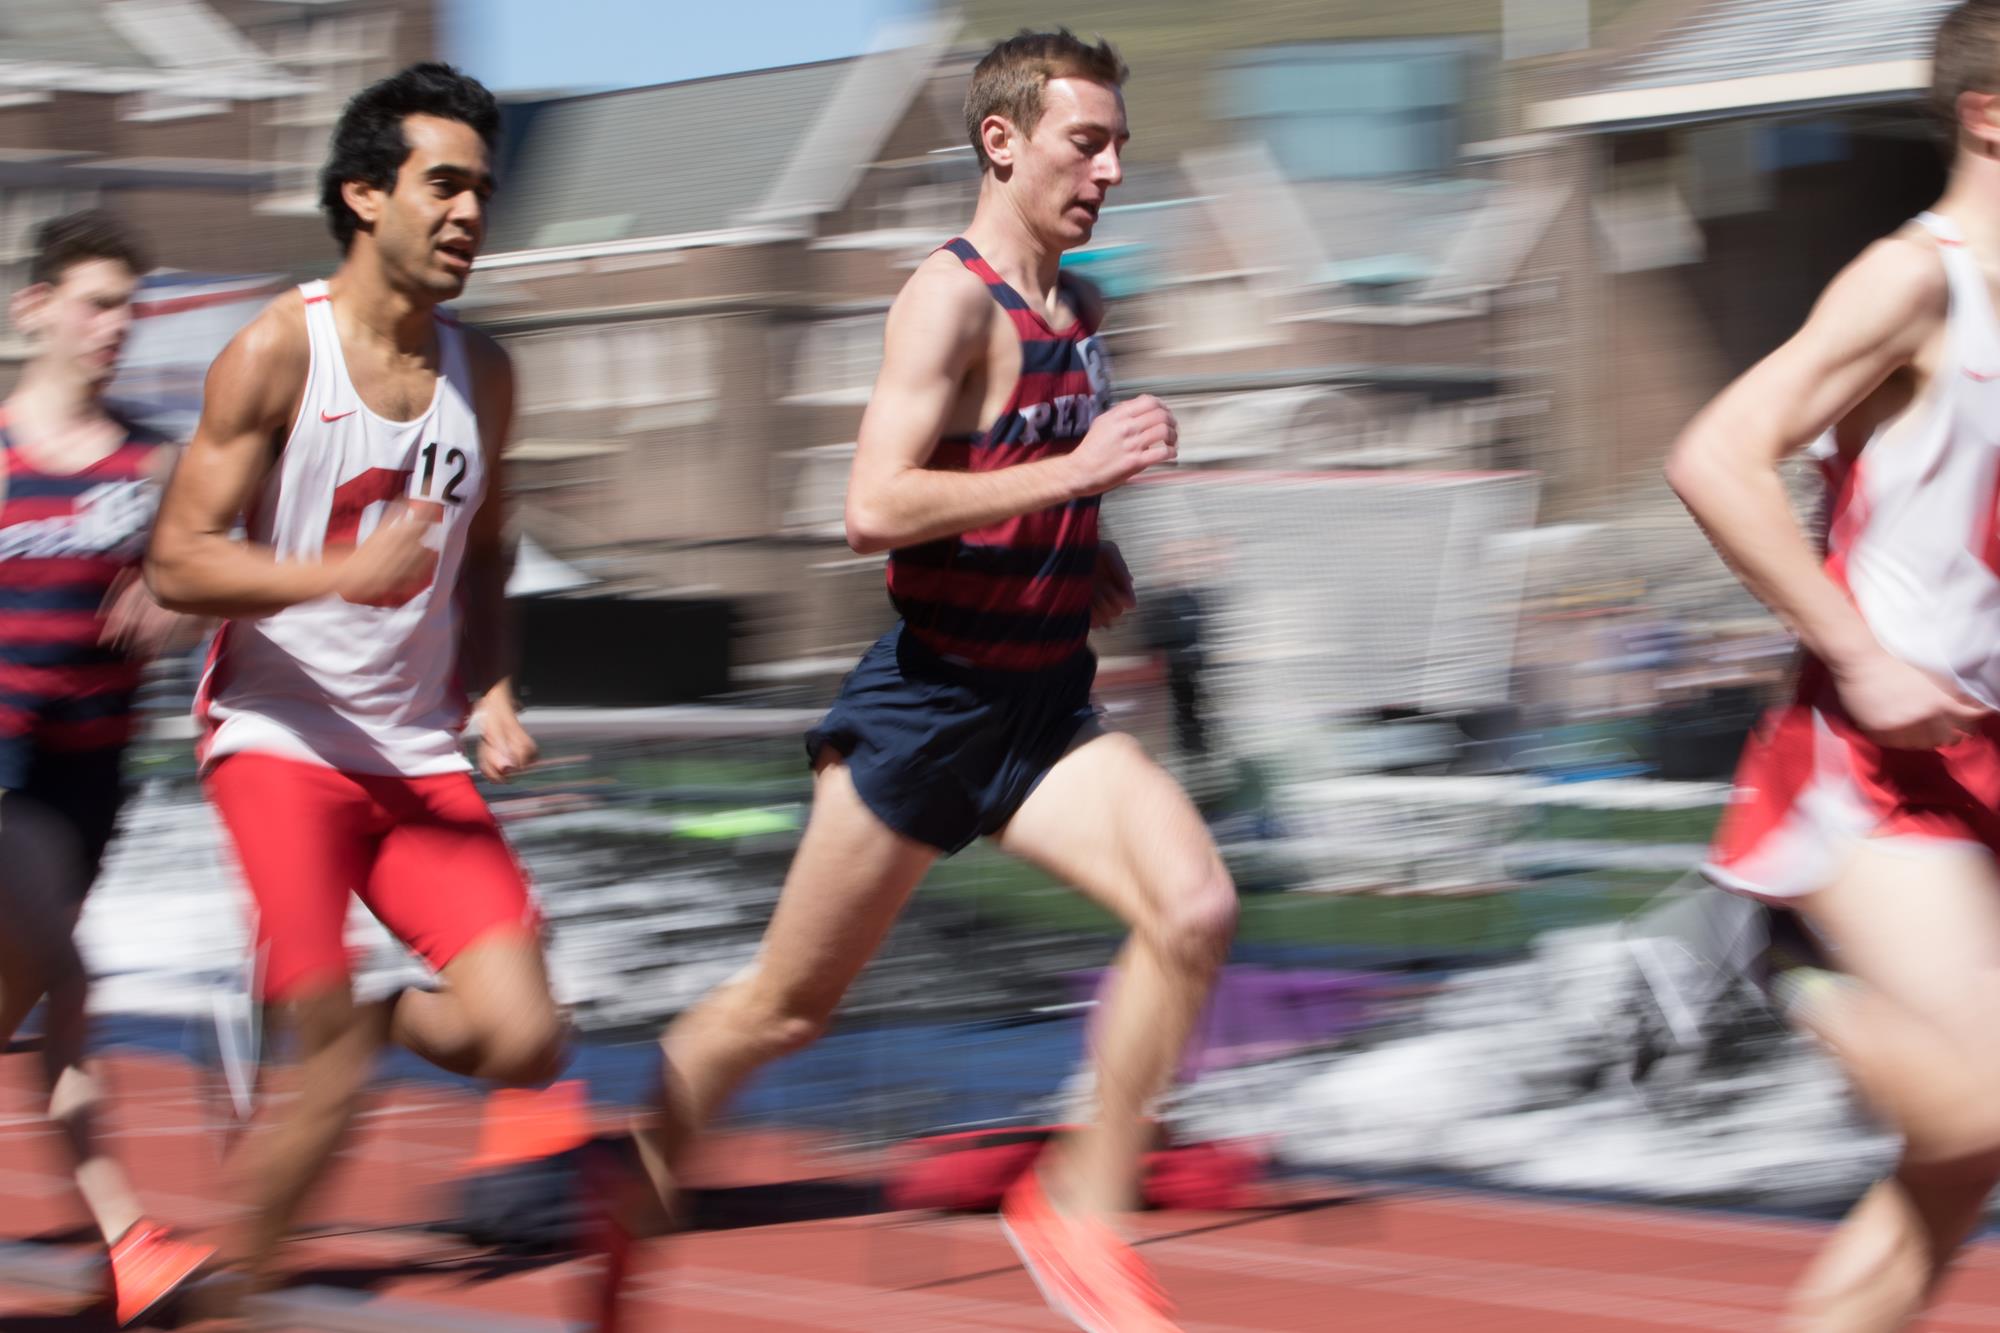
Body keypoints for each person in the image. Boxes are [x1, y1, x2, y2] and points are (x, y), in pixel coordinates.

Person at [613, 29, 1237, 1333]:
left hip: (1046, 706)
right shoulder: (947, 299)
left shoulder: (1084, 310)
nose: (1113, 168)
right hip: (930, 704)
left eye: (1121, 143)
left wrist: (1089, 551)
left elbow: (1012, 482)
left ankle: (1081, 1205)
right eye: (1087, 141)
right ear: (1002, 143)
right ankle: (641, 1163)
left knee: (1194, 908)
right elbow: (873, 504)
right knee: (785, 1012)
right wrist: (1074, 480)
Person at [143, 62, 561, 1302]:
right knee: (323, 1061)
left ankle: (372, 1021)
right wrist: (334, 572)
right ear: (363, 195)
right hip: (277, 738)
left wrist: (488, 686)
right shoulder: (278, 350)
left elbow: (483, 559)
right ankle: (231, 1303)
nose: (470, 214)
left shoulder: (486, 375)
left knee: (525, 1039)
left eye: (483, 190)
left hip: (416, 752)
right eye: (443, 186)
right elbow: (176, 561)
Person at [1668, 4, 2000, 1325]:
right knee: (1987, 1101)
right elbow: (1715, 455)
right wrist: (1859, 656)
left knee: (1963, 1159)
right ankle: (1774, 958)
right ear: (1990, 112)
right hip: (1870, 766)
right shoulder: (1916, 279)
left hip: (1983, 758)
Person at [0, 210, 215, 1327]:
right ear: (35, 305)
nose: (115, 326)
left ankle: (121, 1252)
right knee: (76, 986)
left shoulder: (151, 461)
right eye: (94, 302)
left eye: (130, 306)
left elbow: (204, 581)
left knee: (26, 1010)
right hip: (6, 771)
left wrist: (174, 602)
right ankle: (132, 1241)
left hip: (91, 782)